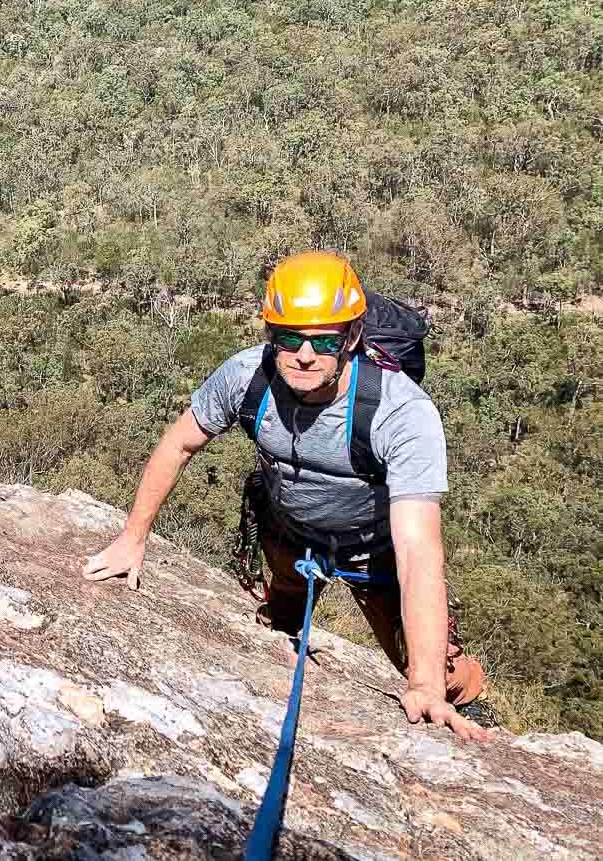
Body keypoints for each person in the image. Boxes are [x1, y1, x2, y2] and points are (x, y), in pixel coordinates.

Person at [83, 250, 495, 742]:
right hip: (289, 533)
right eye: (287, 338)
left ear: (353, 339)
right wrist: (132, 538)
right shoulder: (245, 377)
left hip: (376, 554)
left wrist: (425, 683)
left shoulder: (399, 412)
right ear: (269, 336)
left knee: (439, 678)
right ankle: (282, 617)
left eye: (323, 341)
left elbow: (419, 550)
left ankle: (466, 688)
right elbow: (179, 443)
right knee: (279, 618)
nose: (303, 355)